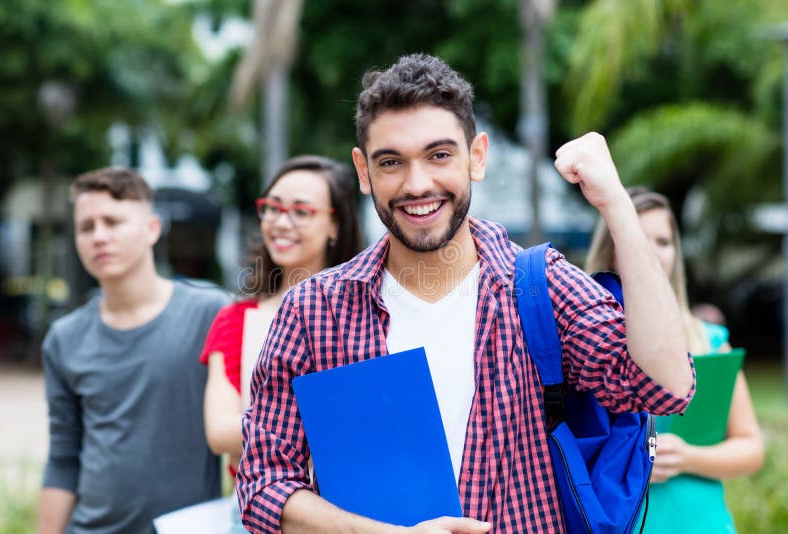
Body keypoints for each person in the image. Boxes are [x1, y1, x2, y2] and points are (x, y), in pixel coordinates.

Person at [236, 53, 695, 533]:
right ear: (363, 171)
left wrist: (616, 203)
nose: (417, 185)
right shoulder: (316, 310)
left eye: (439, 156)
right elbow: (263, 486)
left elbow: (666, 386)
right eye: (391, 162)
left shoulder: (540, 287)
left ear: (476, 156)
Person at [38, 168, 228, 533]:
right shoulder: (64, 338)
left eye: (113, 222)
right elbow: (63, 457)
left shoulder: (211, 313)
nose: (99, 237)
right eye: (86, 227)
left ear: (152, 229)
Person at [585, 186, 764, 532]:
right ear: (609, 248)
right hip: (623, 522)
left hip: (702, 522)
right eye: (638, 238)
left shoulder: (710, 342)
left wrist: (687, 457)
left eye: (663, 241)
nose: (652, 252)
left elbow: (750, 447)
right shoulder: (584, 347)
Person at [199, 155, 362, 532]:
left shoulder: (370, 311)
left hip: (354, 512)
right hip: (260, 516)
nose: (281, 222)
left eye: (301, 211)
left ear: (335, 224)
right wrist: (322, 423)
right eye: (272, 208)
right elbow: (220, 431)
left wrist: (271, 424)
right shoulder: (235, 320)